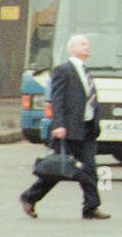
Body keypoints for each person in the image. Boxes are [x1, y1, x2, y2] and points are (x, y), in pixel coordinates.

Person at [20, 33, 111, 220]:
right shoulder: (64, 70)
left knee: (90, 169)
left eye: (88, 44)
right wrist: (59, 124)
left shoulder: (85, 71)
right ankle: (29, 197)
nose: (87, 47)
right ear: (72, 49)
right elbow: (57, 99)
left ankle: (91, 208)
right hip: (68, 130)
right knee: (58, 169)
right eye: (83, 44)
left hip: (86, 129)